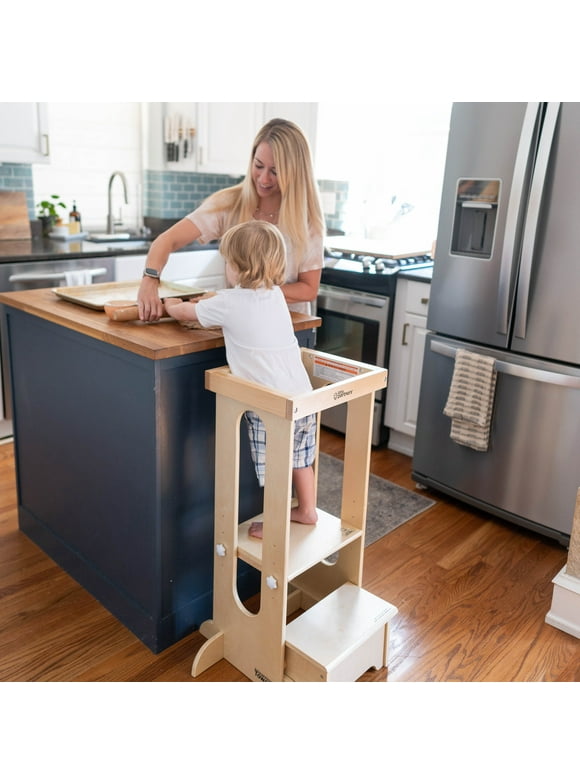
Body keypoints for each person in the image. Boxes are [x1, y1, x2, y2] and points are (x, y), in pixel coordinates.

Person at [164, 220, 318, 540]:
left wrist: (170, 302)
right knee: (299, 458)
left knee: (275, 465)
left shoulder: (229, 302)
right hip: (302, 398)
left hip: (269, 405)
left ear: (235, 267)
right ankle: (307, 510)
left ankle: (275, 523)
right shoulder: (275, 294)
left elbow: (184, 315)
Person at [138, 117, 325, 322]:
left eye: (275, 171)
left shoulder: (308, 219)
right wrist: (150, 279)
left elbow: (308, 289)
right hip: (239, 328)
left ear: (295, 173)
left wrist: (237, 299)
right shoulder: (230, 204)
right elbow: (167, 240)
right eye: (258, 165)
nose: (263, 179)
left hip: (290, 326)